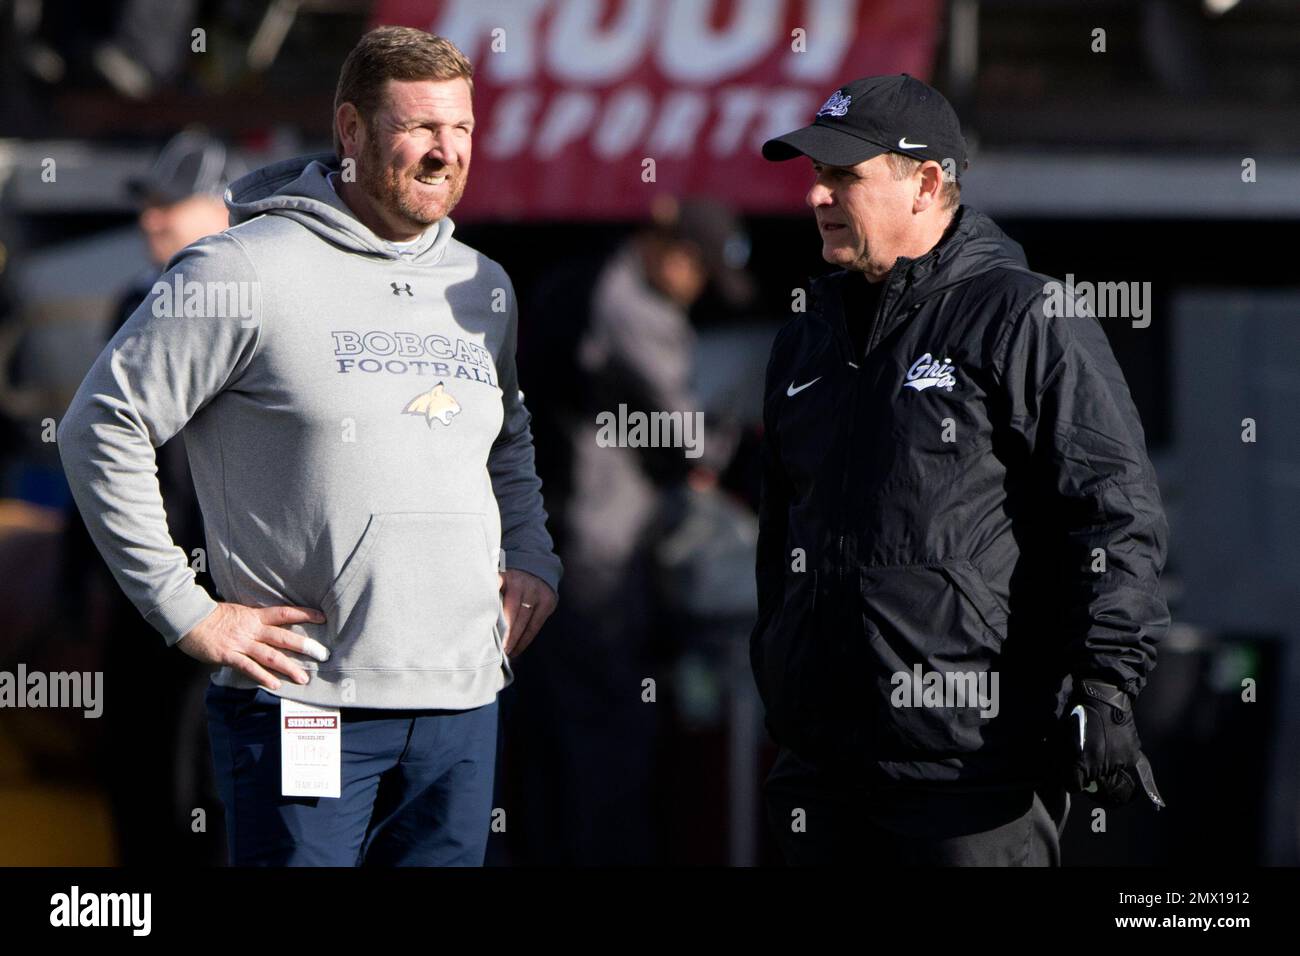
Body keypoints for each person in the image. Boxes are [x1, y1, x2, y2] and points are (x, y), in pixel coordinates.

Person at [58, 26, 560, 867]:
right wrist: (188, 612)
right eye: (420, 129)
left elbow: (505, 441)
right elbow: (101, 424)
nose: (446, 153)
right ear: (352, 132)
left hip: (465, 705)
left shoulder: (485, 287)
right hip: (306, 708)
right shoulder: (237, 271)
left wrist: (534, 552)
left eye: (462, 129)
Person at [752, 74, 1170, 866]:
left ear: (928, 184)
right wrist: (782, 683)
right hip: (821, 775)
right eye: (815, 175)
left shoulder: (1025, 315)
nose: (816, 195)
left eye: (844, 175)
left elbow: (1115, 510)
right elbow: (780, 535)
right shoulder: (806, 336)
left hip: (972, 777)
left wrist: (1107, 683)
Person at [511, 199, 751, 864]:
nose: (696, 285)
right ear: (665, 245)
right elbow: (686, 445)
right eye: (695, 267)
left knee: (558, 740)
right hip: (597, 560)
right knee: (606, 738)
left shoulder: (581, 285)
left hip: (560, 549)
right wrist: (732, 443)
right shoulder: (628, 307)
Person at [58, 129, 241, 865]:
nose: (152, 218)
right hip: (141, 593)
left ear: (224, 212)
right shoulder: (139, 299)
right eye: (150, 204)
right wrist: (78, 578)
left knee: (205, 782)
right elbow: (95, 450)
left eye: (174, 204)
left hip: (226, 600)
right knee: (139, 775)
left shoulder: (250, 304)